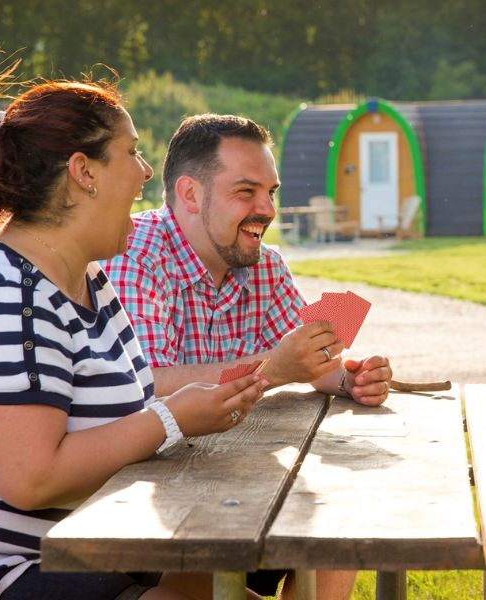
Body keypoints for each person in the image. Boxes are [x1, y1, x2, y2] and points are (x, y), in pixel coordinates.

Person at [0, 58, 269, 600]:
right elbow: (32, 478)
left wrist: (212, 396)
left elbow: (118, 396)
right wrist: (172, 419)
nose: (146, 173)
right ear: (84, 172)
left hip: (64, 555)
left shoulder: (84, 279)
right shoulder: (4, 299)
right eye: (131, 153)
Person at [102, 114, 390, 599]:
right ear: (191, 195)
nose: (267, 209)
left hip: (240, 488)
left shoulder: (264, 264)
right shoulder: (136, 255)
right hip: (150, 512)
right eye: (246, 192)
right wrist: (274, 368)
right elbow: (144, 383)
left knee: (340, 527)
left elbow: (305, 357)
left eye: (271, 192)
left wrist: (350, 379)